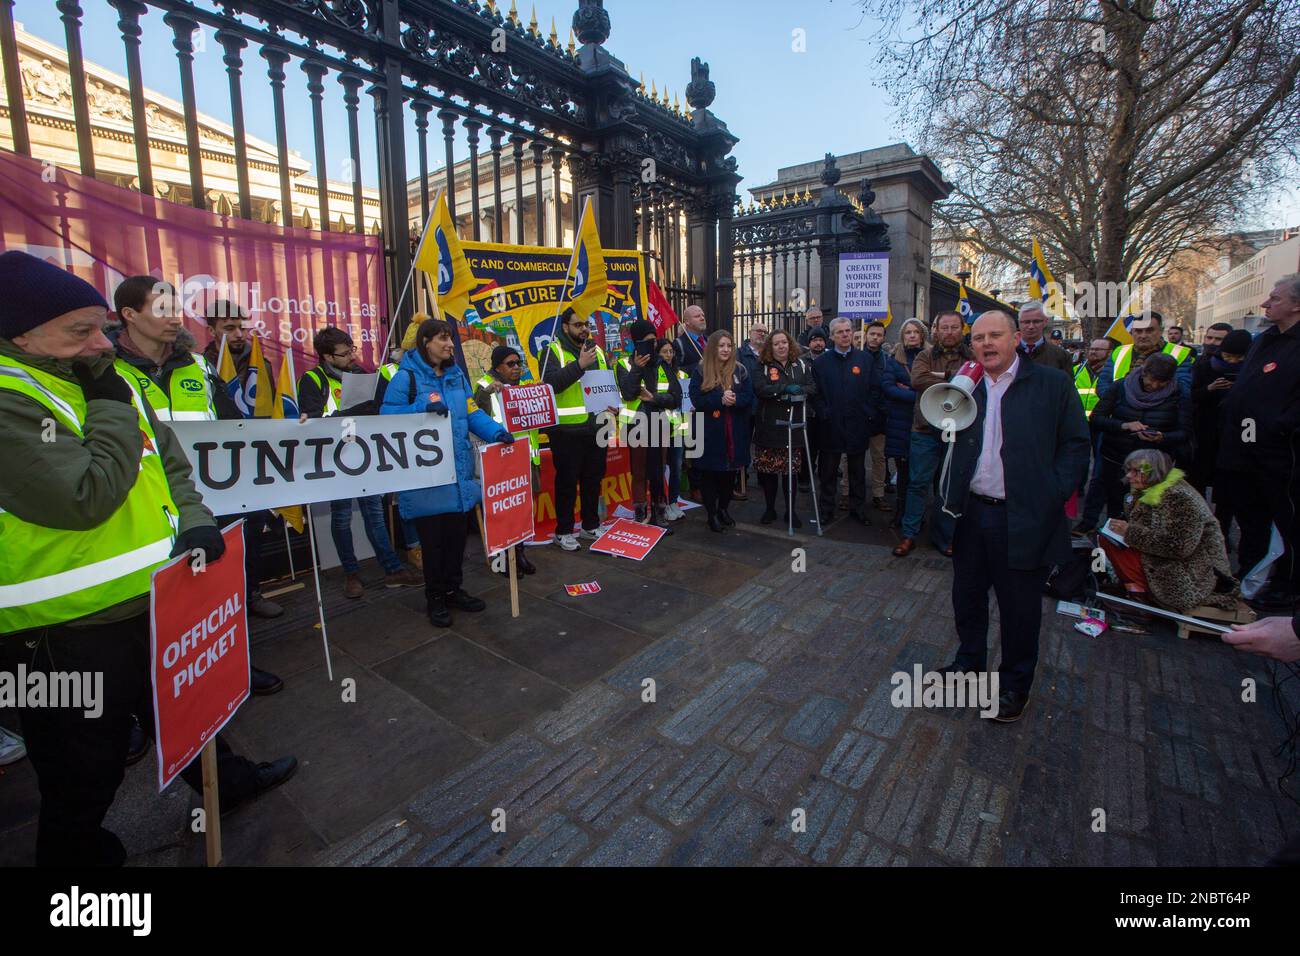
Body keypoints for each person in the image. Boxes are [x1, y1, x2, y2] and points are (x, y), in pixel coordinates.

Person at [0, 251, 297, 866]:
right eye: (76, 331)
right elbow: (84, 495)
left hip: (159, 595)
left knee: (192, 711)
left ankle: (229, 786)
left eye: (97, 326)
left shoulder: (110, 377)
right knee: (83, 771)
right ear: (20, 333)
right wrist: (108, 402)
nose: (95, 342)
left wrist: (194, 523)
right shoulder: (21, 397)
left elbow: (170, 464)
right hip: (62, 630)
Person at [112, 276, 285, 701]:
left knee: (224, 591)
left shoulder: (199, 366)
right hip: (144, 511)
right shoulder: (104, 373)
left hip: (212, 504)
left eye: (176, 308)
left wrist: (286, 438)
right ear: (129, 315)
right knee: (147, 617)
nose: (173, 317)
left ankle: (233, 666)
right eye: (161, 308)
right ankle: (140, 704)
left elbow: (232, 429)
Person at [936, 310, 1090, 722]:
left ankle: (1013, 686)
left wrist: (1051, 494)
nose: (986, 344)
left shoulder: (1052, 384)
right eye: (979, 338)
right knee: (966, 598)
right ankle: (969, 663)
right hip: (972, 514)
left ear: (1016, 337)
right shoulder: (968, 387)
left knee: (1019, 608)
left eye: (995, 335)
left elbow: (1076, 445)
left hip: (1023, 519)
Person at [380, 318, 512, 626]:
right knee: (433, 544)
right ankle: (435, 598)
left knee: (456, 540)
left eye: (450, 339)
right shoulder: (406, 378)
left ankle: (454, 590)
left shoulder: (456, 375)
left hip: (458, 475)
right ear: (426, 342)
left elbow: (471, 412)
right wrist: (421, 407)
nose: (450, 344)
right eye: (443, 339)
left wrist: (496, 432)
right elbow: (386, 417)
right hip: (425, 478)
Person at [299, 327, 420, 597]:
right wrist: (349, 413)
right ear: (328, 357)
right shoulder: (311, 379)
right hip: (336, 461)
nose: (352, 356)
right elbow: (310, 423)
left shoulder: (362, 376)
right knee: (341, 517)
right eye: (345, 353)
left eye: (352, 349)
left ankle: (392, 569)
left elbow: (388, 404)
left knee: (375, 514)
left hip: (366, 457)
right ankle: (351, 573)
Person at [1216, 276, 1300, 610]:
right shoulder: (1266, 339)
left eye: (1275, 299)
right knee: (1250, 517)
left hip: (1281, 456)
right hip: (1243, 449)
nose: (1265, 304)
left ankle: (1286, 584)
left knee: (1285, 522)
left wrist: (1276, 428)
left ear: (1296, 305)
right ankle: (1249, 574)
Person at [1098, 449, 1238, 612]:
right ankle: (1134, 588)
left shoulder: (1180, 498)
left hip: (1193, 575)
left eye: (1136, 471)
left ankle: (1140, 599)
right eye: (1128, 470)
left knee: (1117, 545)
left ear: (1155, 472)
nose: (1129, 476)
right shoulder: (1145, 489)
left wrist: (1130, 532)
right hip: (1173, 560)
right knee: (1107, 538)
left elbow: (1179, 546)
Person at [894, 311, 974, 557]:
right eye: (944, 328)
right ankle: (909, 534)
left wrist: (938, 378)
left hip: (957, 432)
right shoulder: (924, 355)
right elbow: (917, 379)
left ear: (962, 330)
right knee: (917, 484)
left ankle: (945, 537)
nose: (949, 333)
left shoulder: (971, 357)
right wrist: (954, 378)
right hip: (925, 430)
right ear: (936, 331)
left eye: (954, 328)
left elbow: (978, 380)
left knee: (948, 488)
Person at [1084, 352, 1192, 526]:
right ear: (1144, 373)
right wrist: (1124, 426)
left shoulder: (1179, 394)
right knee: (1117, 508)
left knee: (1146, 515)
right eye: (1152, 380)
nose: (1155, 386)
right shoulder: (1120, 387)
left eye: (1162, 382)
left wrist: (1162, 437)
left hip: (1153, 466)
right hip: (1116, 458)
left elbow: (1185, 433)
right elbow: (1096, 418)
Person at [542, 307, 611, 551]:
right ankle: (563, 531)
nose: (584, 329)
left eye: (586, 325)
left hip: (596, 427)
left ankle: (590, 525)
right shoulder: (552, 351)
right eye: (578, 324)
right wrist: (580, 365)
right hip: (567, 431)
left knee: (594, 479)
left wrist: (612, 403)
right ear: (565, 327)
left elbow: (605, 381)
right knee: (567, 483)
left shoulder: (598, 351)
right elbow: (550, 385)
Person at [474, 344, 539, 575]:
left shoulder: (520, 387)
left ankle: (519, 552)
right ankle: (501, 559)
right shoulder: (484, 386)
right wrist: (491, 391)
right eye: (511, 364)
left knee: (522, 508)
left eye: (519, 363)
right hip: (500, 459)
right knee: (501, 509)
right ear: (497, 366)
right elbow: (475, 416)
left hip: (524, 456)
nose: (517, 368)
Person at [812, 317, 884, 526]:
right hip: (830, 425)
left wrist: (867, 412)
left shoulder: (864, 360)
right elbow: (815, 393)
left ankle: (858, 509)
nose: (844, 334)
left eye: (847, 330)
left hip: (857, 425)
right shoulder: (820, 363)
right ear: (832, 336)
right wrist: (824, 412)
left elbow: (874, 389)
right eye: (839, 332)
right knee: (828, 472)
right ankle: (826, 510)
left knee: (857, 471)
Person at [616, 319, 681, 529]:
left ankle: (659, 512)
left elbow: (676, 397)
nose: (652, 345)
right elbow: (627, 392)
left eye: (654, 341)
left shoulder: (663, 364)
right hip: (636, 427)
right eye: (647, 341)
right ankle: (640, 512)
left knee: (658, 470)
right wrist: (637, 368)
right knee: (639, 472)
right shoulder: (624, 364)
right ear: (636, 343)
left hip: (660, 425)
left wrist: (654, 399)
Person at [689, 329, 754, 532]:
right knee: (710, 476)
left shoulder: (740, 370)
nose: (726, 349)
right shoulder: (701, 370)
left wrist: (735, 401)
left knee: (729, 476)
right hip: (710, 433)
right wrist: (719, 400)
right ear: (713, 348)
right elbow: (696, 400)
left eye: (729, 345)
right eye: (721, 345)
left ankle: (724, 509)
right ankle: (711, 514)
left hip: (734, 432)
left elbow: (749, 396)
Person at [1190, 328, 1251, 539]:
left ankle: (1222, 535)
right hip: (1204, 437)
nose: (1232, 362)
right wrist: (1210, 389)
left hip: (1234, 440)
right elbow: (1191, 397)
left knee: (1226, 495)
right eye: (1228, 357)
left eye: (1237, 357)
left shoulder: (1252, 369)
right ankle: (1197, 531)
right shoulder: (1204, 365)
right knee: (1196, 487)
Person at [752, 329, 816, 526]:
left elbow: (812, 387)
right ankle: (770, 509)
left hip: (793, 427)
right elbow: (760, 388)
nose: (781, 346)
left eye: (784, 342)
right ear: (770, 347)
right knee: (770, 473)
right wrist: (783, 390)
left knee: (791, 473)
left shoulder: (802, 365)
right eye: (776, 343)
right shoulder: (762, 365)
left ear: (790, 344)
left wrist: (800, 391)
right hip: (770, 426)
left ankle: (791, 511)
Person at [1096, 310, 1193, 400]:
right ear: (1131, 332)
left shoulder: (1180, 354)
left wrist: (1144, 403)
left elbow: (1183, 389)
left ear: (1161, 331)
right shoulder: (1118, 352)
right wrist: (1121, 403)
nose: (1143, 336)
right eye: (1138, 331)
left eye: (1149, 330)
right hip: (1120, 413)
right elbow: (1102, 385)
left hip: (1160, 414)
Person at [862, 320, 893, 512]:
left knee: (879, 457)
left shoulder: (887, 360)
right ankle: (848, 493)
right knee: (850, 457)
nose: (875, 337)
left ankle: (878, 494)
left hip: (879, 415)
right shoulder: (856, 356)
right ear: (866, 334)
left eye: (879, 335)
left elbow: (888, 386)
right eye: (872, 334)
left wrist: (880, 409)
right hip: (858, 415)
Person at [659, 338, 689, 520]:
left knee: (677, 467)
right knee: (662, 468)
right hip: (661, 427)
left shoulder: (682, 375)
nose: (669, 355)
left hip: (678, 427)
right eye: (664, 351)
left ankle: (673, 501)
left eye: (671, 351)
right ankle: (664, 504)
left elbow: (688, 399)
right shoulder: (656, 373)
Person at [1016, 302, 1073, 372]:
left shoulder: (1062, 356)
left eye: (1036, 321)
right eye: (1026, 322)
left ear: (1045, 322)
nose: (1031, 326)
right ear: (1019, 323)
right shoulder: (1008, 353)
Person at [1073, 337, 1114, 420]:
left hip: (1101, 424)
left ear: (1109, 352)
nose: (1093, 352)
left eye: (1098, 349)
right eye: (1091, 349)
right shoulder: (1076, 370)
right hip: (1077, 423)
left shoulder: (1113, 372)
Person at [673, 303, 709, 371]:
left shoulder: (710, 341)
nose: (702, 318)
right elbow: (676, 370)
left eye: (703, 315)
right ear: (687, 321)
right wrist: (698, 366)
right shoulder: (679, 344)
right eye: (697, 316)